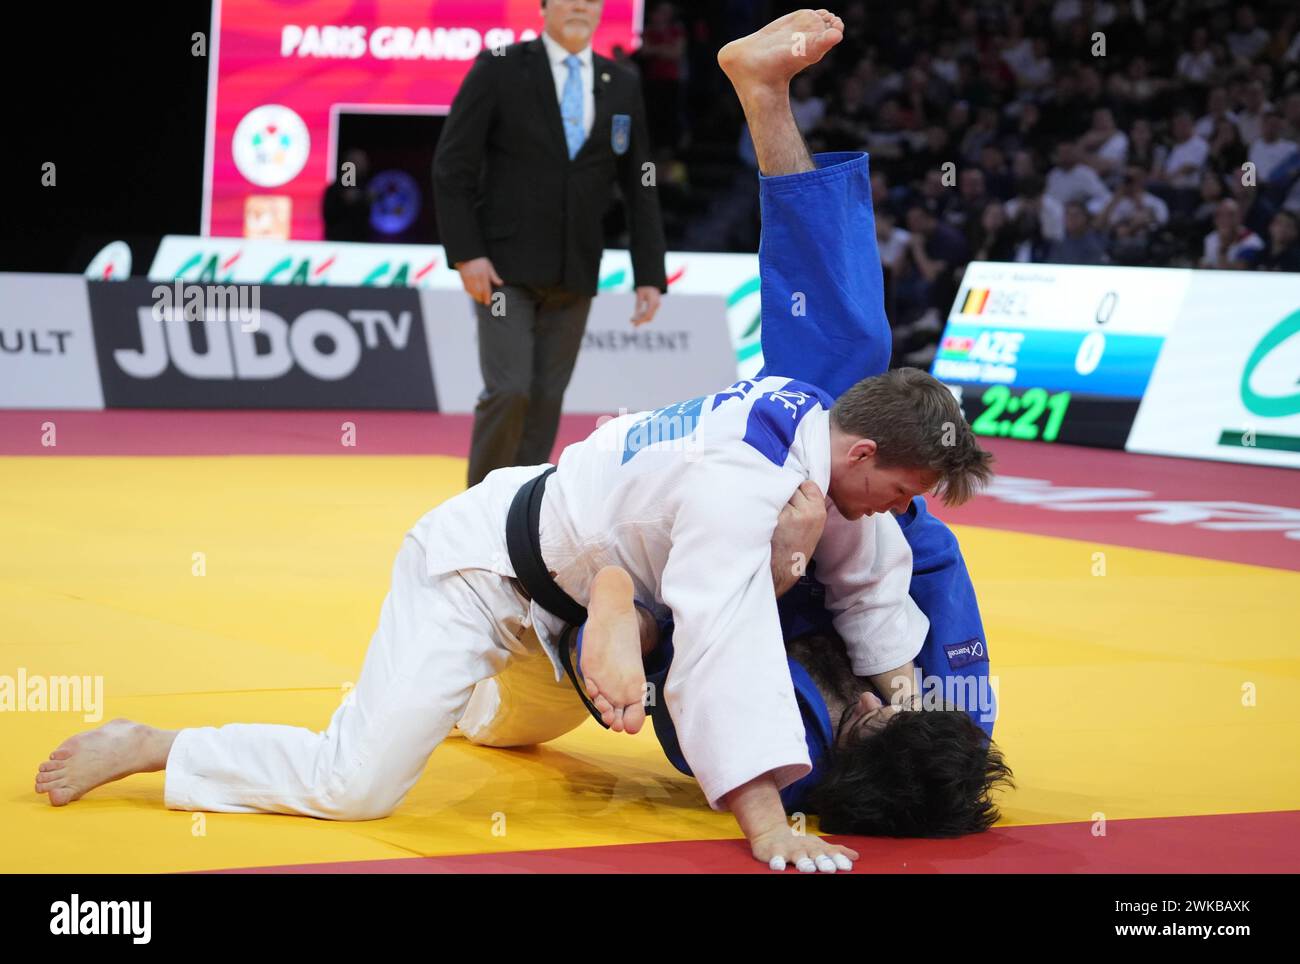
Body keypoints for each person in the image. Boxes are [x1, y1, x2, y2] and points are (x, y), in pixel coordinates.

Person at [35, 10, 992, 875]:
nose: (903, 515)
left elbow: (869, 590)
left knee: (506, 738)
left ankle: (571, 624)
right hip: (485, 572)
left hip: (570, 616)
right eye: (905, 491)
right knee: (357, 782)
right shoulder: (747, 482)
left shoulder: (820, 436)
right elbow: (720, 652)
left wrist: (902, 696)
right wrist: (766, 826)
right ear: (864, 453)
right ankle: (161, 746)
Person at [434, 0, 669, 486]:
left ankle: (516, 515)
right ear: (542, 7)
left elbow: (639, 182)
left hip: (576, 269)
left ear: (603, 11)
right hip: (502, 269)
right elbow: (452, 166)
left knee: (544, 401)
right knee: (510, 390)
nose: (580, 5)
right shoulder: (500, 66)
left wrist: (650, 273)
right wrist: (466, 253)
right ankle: (474, 512)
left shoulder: (621, 82)